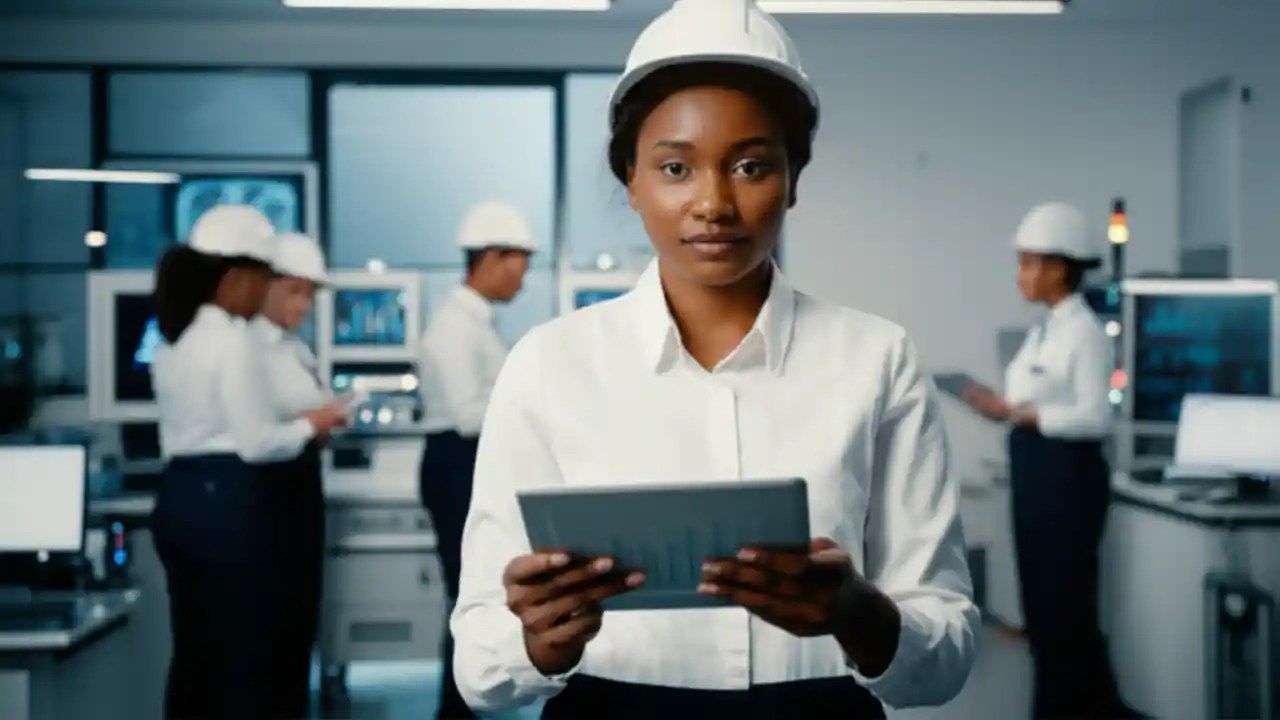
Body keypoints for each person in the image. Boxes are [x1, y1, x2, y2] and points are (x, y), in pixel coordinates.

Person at [450, 1, 978, 718]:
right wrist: (539, 642)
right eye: (675, 167)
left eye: (752, 165)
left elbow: (944, 656)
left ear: (795, 179)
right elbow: (480, 665)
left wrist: (859, 612)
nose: (713, 203)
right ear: (631, 182)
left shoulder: (876, 358)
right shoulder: (549, 364)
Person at [150, 205, 349, 719]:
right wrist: (312, 424)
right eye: (266, 281)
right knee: (248, 653)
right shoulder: (233, 340)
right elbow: (257, 442)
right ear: (238, 277)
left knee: (198, 653)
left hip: (182, 493)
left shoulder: (178, 335)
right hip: (230, 501)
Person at [963, 201, 1141, 719]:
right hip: (1038, 478)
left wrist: (1022, 415)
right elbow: (1034, 401)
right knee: (1044, 614)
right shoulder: (1047, 330)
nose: (1020, 275)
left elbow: (1094, 418)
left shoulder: (1084, 332)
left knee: (1064, 614)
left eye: (1027, 263)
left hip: (1067, 484)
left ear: (1058, 268)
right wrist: (999, 408)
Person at [417, 199, 537, 720]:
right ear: (493, 258)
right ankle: (456, 712)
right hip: (455, 462)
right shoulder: (453, 325)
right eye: (520, 264)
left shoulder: (477, 323)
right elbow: (468, 414)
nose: (523, 279)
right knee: (468, 597)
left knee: (478, 589)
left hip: (464, 462)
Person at [249, 232, 337, 717]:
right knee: (270, 624)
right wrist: (314, 423)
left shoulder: (290, 348)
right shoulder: (247, 350)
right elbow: (258, 434)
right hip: (269, 495)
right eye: (295, 291)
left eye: (310, 294)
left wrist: (320, 423)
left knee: (297, 620)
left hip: (299, 485)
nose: (303, 305)